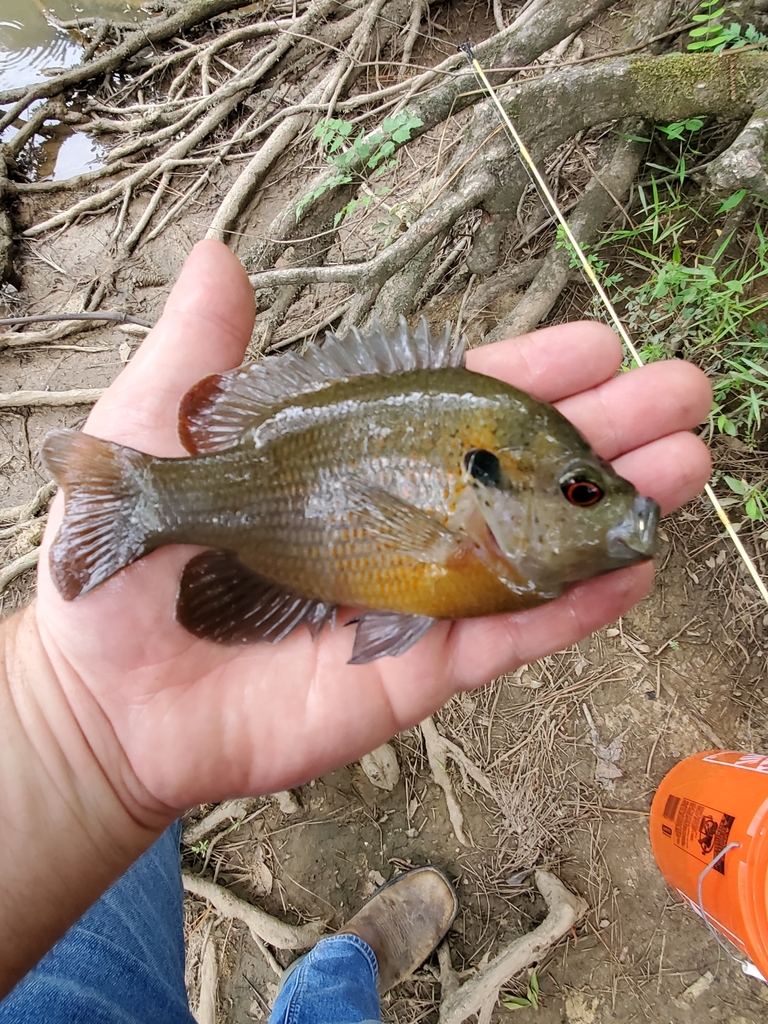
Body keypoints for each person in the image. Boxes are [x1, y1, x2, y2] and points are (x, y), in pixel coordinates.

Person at [0, 240, 712, 1020]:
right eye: (582, 492)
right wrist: (62, 716)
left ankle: (335, 976)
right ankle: (338, 979)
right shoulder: (472, 505)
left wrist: (61, 733)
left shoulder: (499, 501)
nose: (614, 507)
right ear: (492, 483)